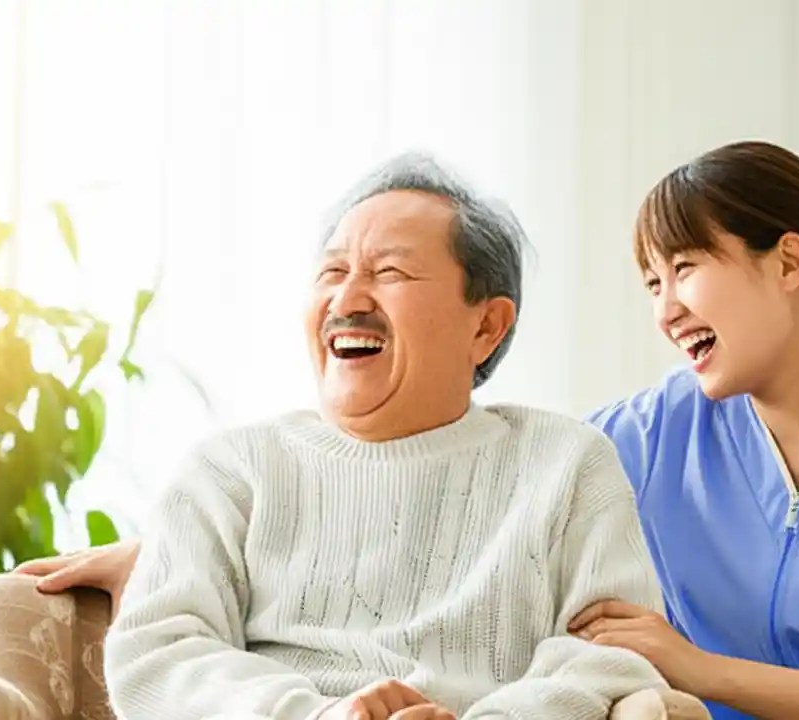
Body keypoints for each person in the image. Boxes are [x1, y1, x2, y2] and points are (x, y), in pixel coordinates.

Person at [19, 141, 799, 720]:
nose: (663, 307)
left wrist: (692, 668)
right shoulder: (636, 438)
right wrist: (175, 556)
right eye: (649, 282)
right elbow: (443, 478)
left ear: (787, 264)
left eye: (684, 269)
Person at [80, 152, 674, 720]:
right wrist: (319, 713)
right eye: (333, 271)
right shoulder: (231, 468)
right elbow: (159, 653)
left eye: (389, 272)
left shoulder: (566, 464)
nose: (347, 298)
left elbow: (609, 654)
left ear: (487, 326)